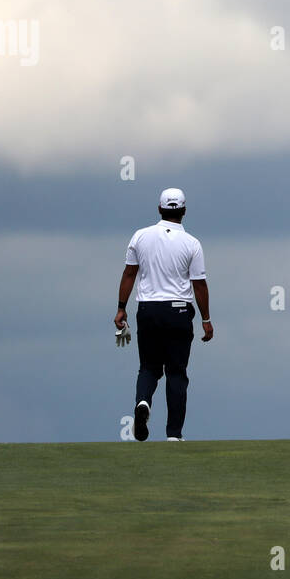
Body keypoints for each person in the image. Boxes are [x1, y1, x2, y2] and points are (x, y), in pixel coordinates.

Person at [114, 188, 212, 441]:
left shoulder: (140, 236)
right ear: (184, 211)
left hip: (148, 310)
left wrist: (121, 307)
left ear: (159, 209)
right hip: (179, 311)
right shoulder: (192, 243)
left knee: (148, 368)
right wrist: (206, 320)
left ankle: (143, 402)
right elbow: (199, 285)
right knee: (176, 373)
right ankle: (173, 435)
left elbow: (129, 274)